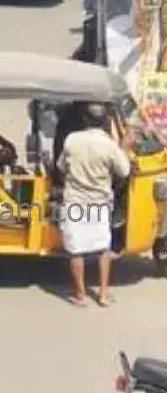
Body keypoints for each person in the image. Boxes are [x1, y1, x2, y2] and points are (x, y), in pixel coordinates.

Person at [57, 103, 133, 306]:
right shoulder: (109, 145)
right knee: (102, 250)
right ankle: (103, 295)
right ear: (106, 121)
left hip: (75, 202)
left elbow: (61, 166)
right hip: (99, 204)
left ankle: (80, 296)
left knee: (76, 251)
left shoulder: (72, 140)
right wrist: (124, 147)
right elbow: (124, 171)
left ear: (84, 120)